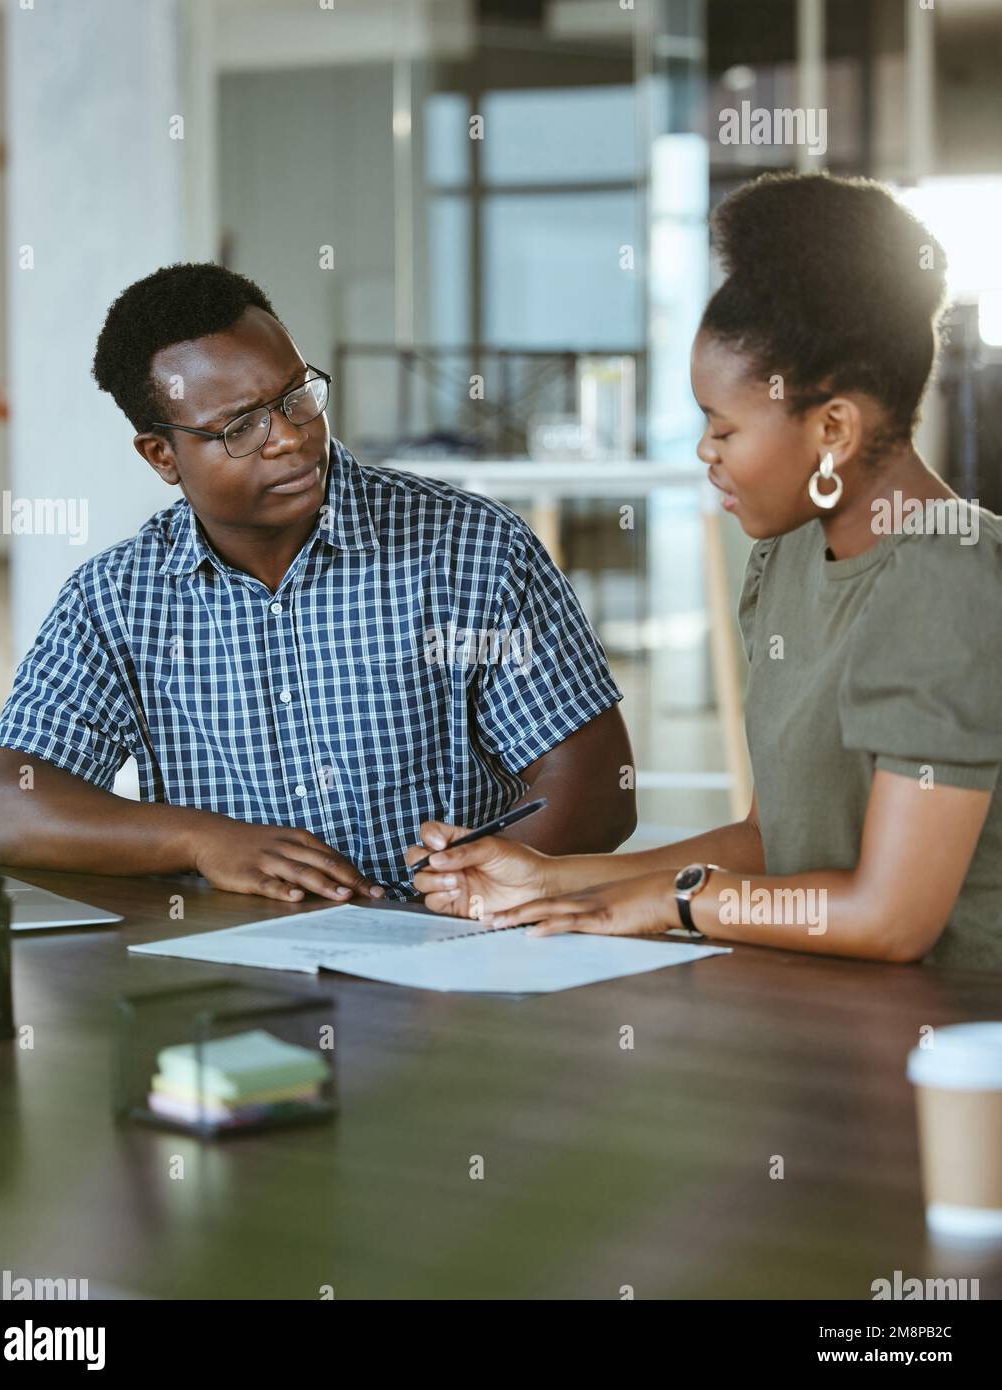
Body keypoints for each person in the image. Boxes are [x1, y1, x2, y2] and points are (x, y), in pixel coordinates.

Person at [408, 172, 1002, 970]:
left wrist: (675, 900)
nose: (705, 452)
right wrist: (552, 881)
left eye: (724, 428)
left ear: (832, 426)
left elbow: (891, 918)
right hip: (818, 1010)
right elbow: (768, 840)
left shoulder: (946, 576)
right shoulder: (790, 553)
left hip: (950, 1036)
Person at [0, 264, 635, 901]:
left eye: (296, 397)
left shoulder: (470, 549)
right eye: (241, 427)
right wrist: (202, 840)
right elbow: (8, 807)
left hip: (456, 955)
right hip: (234, 969)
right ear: (162, 456)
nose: (289, 438)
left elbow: (601, 783)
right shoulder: (118, 599)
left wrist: (470, 896)